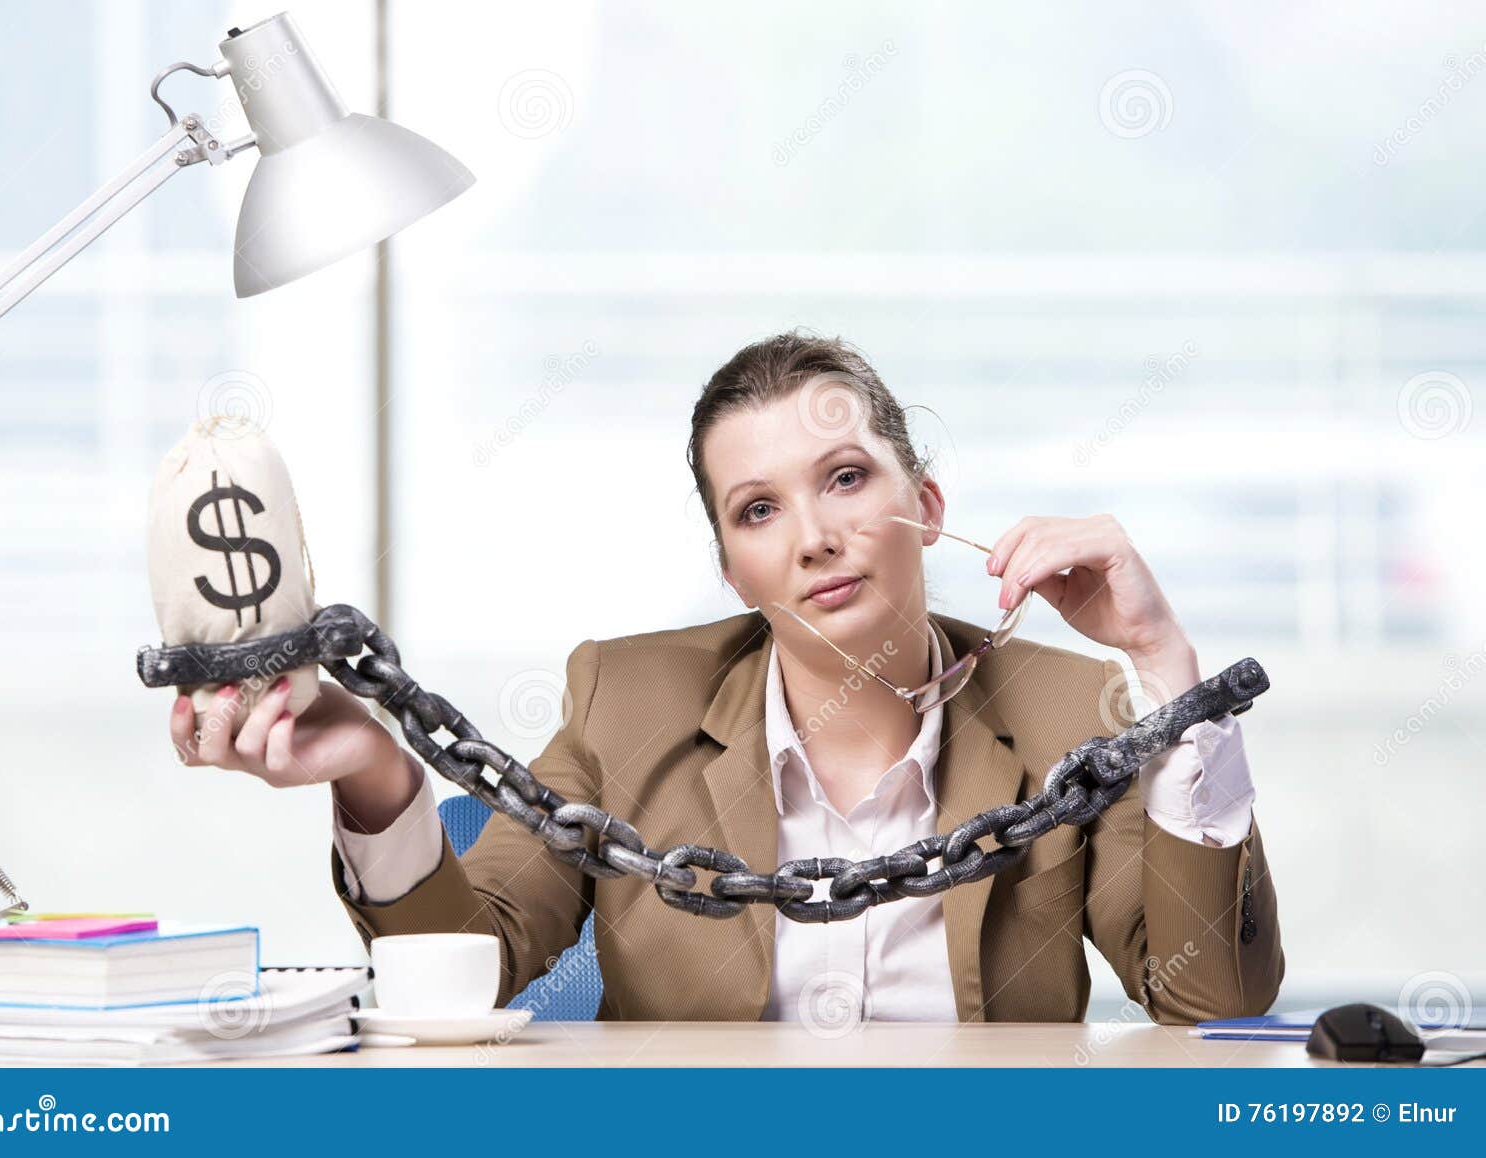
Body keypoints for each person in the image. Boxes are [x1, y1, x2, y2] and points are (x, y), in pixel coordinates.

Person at [169, 331, 1283, 1024]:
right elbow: (479, 966)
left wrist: (1161, 668)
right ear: (730, 565)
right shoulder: (624, 700)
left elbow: (1204, 995)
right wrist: (372, 770)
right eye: (758, 509)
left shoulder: (1070, 709)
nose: (811, 538)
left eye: (845, 478)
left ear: (929, 509)